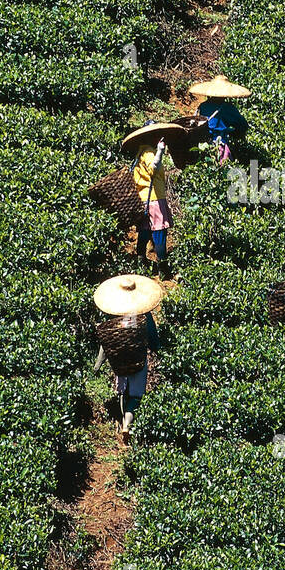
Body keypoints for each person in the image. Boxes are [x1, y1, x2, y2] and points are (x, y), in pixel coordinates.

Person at [93, 275, 165, 446]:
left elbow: (106, 341)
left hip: (120, 360)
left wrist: (98, 364)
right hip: (138, 358)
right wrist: (158, 350)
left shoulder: (114, 317)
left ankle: (122, 416)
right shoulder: (144, 316)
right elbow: (153, 340)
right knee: (136, 395)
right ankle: (128, 422)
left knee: (123, 391)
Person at [123, 122, 186, 274]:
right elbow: (154, 167)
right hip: (154, 199)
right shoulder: (150, 153)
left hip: (145, 199)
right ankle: (163, 266)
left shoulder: (141, 153)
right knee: (159, 231)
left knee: (145, 231)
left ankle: (141, 261)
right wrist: (160, 151)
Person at [189, 76, 251, 164]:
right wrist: (232, 132)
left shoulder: (202, 105)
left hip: (202, 143)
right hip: (218, 145)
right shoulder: (227, 108)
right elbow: (243, 125)